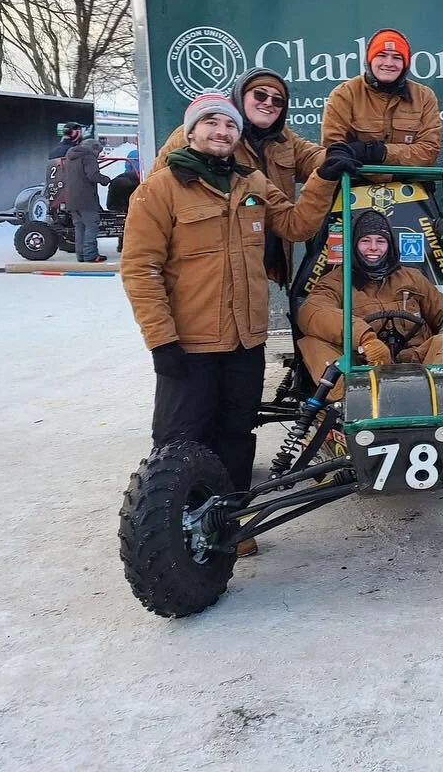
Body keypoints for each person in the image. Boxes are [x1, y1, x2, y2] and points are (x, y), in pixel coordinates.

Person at [121, 93, 358, 555]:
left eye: (229, 126)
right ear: (190, 133)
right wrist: (161, 340)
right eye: (210, 124)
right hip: (188, 343)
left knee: (235, 433)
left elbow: (295, 225)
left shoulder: (251, 182)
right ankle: (174, 537)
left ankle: (230, 522)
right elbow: (139, 268)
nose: (221, 132)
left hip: (245, 340)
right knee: (179, 438)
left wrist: (323, 179)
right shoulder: (162, 188)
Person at [154, 67, 324, 286]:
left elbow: (314, 160)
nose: (268, 103)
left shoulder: (282, 140)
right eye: (260, 94)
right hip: (204, 275)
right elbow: (152, 207)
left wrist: (350, 154)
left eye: (278, 100)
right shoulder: (189, 138)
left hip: (260, 269)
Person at [296, 209, 443, 399]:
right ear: (353, 245)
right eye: (365, 241)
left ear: (390, 245)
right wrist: (365, 340)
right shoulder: (337, 281)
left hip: (418, 367)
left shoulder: (412, 278)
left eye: (380, 241)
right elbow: (311, 311)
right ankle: (341, 411)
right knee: (313, 342)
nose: (373, 248)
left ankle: (440, 401)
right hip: (361, 371)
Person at [321, 28, 441, 166]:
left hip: (409, 183)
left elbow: (429, 152)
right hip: (356, 181)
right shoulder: (344, 94)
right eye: (381, 55)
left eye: (397, 57)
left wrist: (380, 152)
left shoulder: (424, 96)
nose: (389, 63)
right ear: (369, 60)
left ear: (405, 64)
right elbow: (333, 151)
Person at [63, 135, 110, 262]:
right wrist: (106, 180)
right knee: (91, 226)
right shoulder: (88, 157)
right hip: (86, 198)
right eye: (98, 152)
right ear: (93, 148)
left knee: (79, 227)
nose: (98, 156)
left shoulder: (70, 156)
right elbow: (93, 175)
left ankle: (81, 255)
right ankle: (91, 255)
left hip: (72, 199)